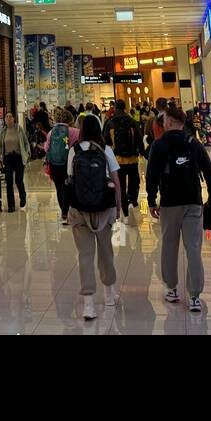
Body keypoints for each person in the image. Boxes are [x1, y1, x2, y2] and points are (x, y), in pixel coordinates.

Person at [146, 105, 211, 312]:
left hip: (169, 204)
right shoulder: (193, 143)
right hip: (193, 202)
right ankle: (195, 296)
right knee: (193, 248)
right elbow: (209, 172)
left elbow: (151, 176)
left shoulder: (159, 146)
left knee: (169, 245)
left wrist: (151, 200)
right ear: (183, 122)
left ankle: (172, 289)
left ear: (168, 122)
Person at [67, 113, 122, 319]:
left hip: (79, 210)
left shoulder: (74, 151)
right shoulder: (106, 149)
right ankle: (109, 295)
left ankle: (89, 304)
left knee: (85, 255)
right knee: (106, 252)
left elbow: (69, 180)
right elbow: (115, 181)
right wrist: (118, 207)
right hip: (103, 208)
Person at [103, 99, 142, 217]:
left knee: (120, 183)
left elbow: (105, 140)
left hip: (117, 159)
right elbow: (139, 137)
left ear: (115, 108)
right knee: (134, 181)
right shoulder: (131, 121)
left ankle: (123, 202)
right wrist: (141, 151)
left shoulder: (110, 122)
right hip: (132, 159)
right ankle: (133, 199)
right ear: (125, 107)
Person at [46, 109, 78, 224]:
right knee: (67, 188)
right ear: (70, 120)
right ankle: (66, 213)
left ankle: (63, 213)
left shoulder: (51, 132)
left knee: (59, 188)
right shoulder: (74, 131)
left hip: (54, 165)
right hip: (67, 164)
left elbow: (46, 148)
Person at [0, 112, 30, 212]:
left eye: (10, 116)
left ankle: (23, 196)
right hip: (8, 158)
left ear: (13, 119)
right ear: (4, 119)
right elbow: (0, 146)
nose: (8, 118)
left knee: (18, 180)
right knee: (9, 181)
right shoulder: (3, 131)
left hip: (18, 157)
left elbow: (25, 142)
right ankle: (11, 205)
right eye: (6, 116)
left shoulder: (19, 129)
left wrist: (27, 153)